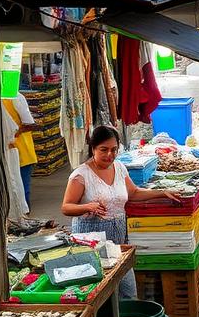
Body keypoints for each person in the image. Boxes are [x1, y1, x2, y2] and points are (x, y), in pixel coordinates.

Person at [61, 125, 181, 298]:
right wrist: (88, 206)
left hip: (118, 239)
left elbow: (133, 193)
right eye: (104, 150)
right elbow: (66, 207)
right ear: (93, 148)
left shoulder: (119, 167)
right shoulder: (81, 175)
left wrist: (161, 193)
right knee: (96, 292)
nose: (109, 155)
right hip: (90, 241)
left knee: (127, 291)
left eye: (114, 150)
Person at [3, 93, 37, 211]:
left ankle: (25, 218)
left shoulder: (15, 97)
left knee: (21, 186)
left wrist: (14, 131)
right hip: (5, 150)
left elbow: (30, 124)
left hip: (21, 149)